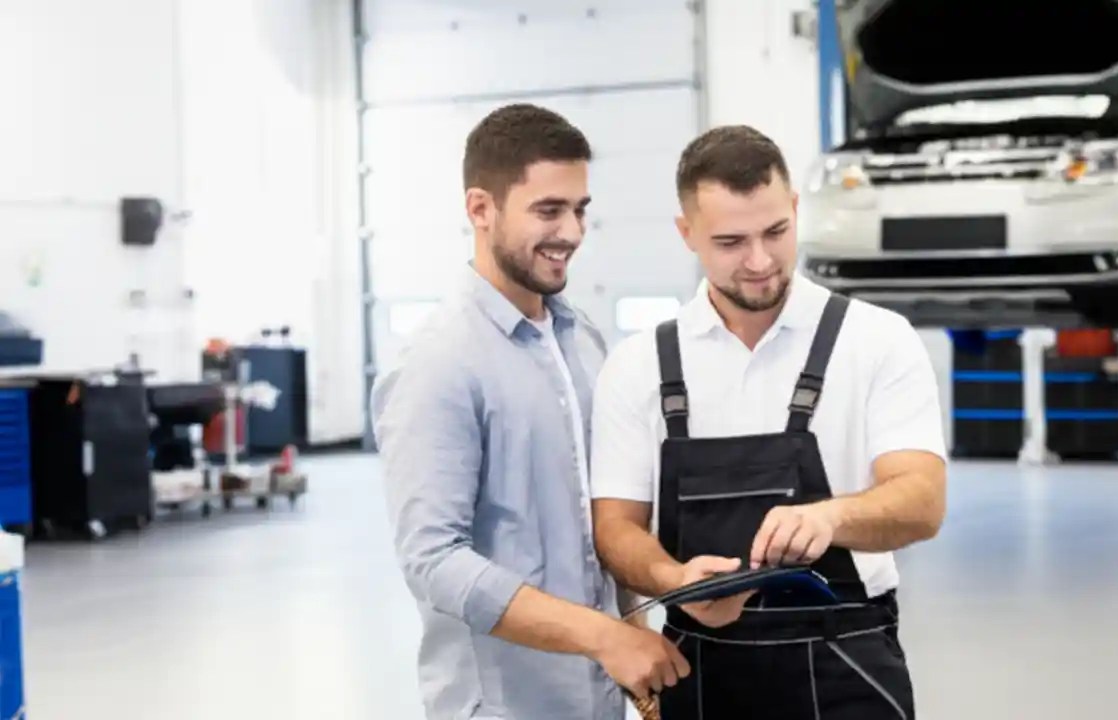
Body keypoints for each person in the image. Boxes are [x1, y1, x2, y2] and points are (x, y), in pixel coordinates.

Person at [589, 125, 948, 719]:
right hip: (697, 669)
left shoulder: (877, 340)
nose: (760, 262)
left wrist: (831, 517)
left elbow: (923, 499)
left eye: (776, 232)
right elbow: (615, 529)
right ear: (687, 234)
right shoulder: (639, 367)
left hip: (848, 663)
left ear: (796, 210)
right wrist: (673, 579)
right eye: (730, 242)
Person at [371, 103, 689, 720]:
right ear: (480, 209)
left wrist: (637, 625)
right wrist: (603, 637)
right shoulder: (438, 363)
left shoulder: (584, 343)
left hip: (597, 701)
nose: (571, 231)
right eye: (548, 210)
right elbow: (434, 560)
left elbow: (600, 525)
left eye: (580, 210)